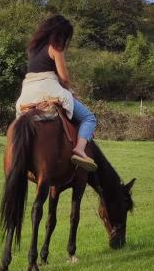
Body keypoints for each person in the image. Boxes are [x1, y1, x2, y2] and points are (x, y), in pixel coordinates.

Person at [15, 14, 97, 172]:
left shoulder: (33, 49)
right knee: (89, 117)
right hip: (48, 90)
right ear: (61, 34)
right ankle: (80, 149)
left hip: (27, 93)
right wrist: (70, 91)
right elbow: (64, 78)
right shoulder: (55, 48)